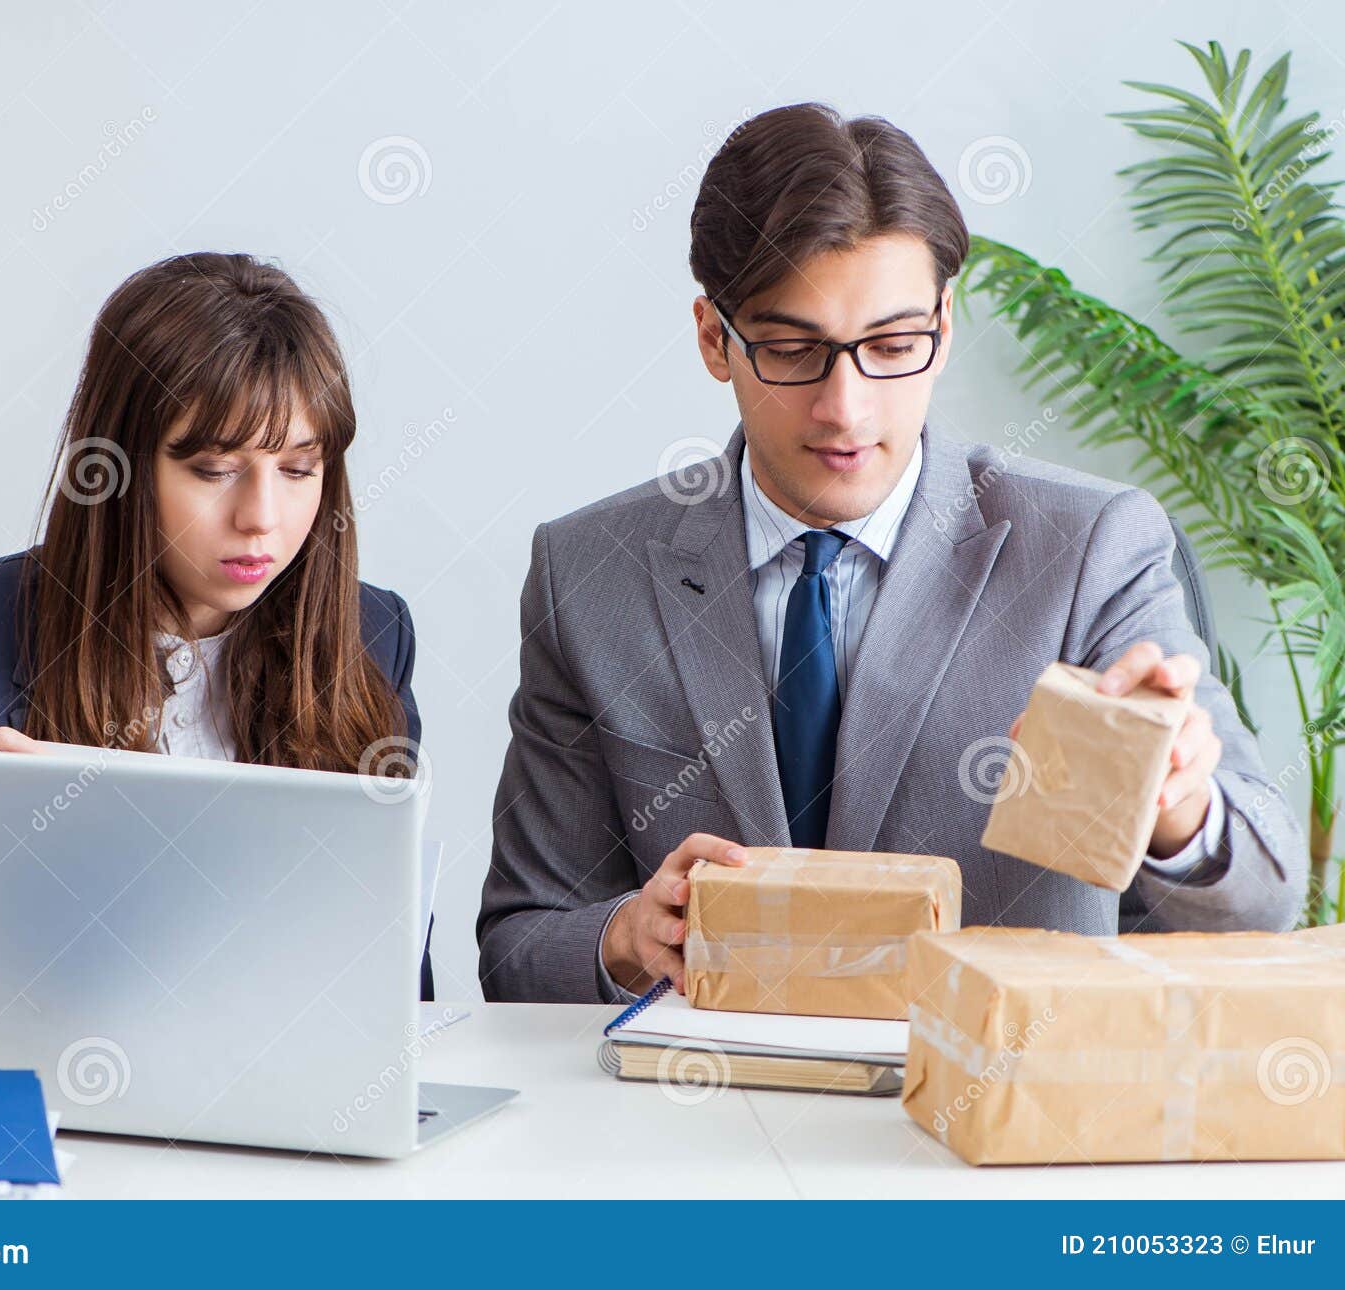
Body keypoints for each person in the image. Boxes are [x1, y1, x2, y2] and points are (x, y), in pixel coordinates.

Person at [477, 103, 1306, 1004]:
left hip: (985, 1115)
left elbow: (1263, 905)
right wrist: (626, 936)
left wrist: (1182, 809)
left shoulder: (1090, 550)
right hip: (705, 1121)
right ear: (716, 339)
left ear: (944, 327)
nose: (847, 408)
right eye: (794, 351)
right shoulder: (587, 573)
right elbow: (519, 945)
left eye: (892, 346)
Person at [0, 252, 431, 997]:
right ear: (117, 467)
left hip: (291, 1092)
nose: (262, 519)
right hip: (39, 1088)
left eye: (299, 471)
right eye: (213, 470)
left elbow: (400, 984)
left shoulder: (373, 634)